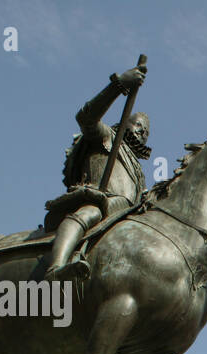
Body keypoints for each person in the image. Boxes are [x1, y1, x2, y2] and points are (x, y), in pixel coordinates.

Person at [42, 65, 150, 283]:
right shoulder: (106, 136)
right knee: (89, 213)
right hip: (97, 202)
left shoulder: (139, 173)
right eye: (138, 125)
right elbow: (86, 118)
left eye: (146, 132)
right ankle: (55, 269)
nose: (141, 132)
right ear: (124, 123)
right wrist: (118, 85)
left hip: (122, 218)